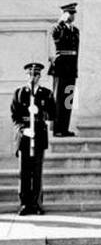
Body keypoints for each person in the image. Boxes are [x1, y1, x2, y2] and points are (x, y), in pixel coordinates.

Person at [11, 61, 55, 215]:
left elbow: (52, 114)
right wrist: (23, 130)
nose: (32, 77)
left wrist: (41, 112)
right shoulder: (19, 93)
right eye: (30, 74)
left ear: (40, 76)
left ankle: (36, 204)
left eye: (35, 74)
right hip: (24, 138)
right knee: (24, 172)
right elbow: (15, 117)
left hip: (39, 136)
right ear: (26, 75)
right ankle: (24, 204)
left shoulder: (46, 94)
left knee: (37, 172)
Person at [48, 2, 79, 136]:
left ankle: (65, 128)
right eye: (70, 13)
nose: (72, 16)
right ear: (63, 14)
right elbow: (57, 40)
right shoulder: (57, 28)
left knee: (68, 100)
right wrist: (61, 22)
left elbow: (76, 51)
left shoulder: (75, 30)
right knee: (58, 99)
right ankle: (57, 129)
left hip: (71, 68)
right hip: (60, 68)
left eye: (73, 14)